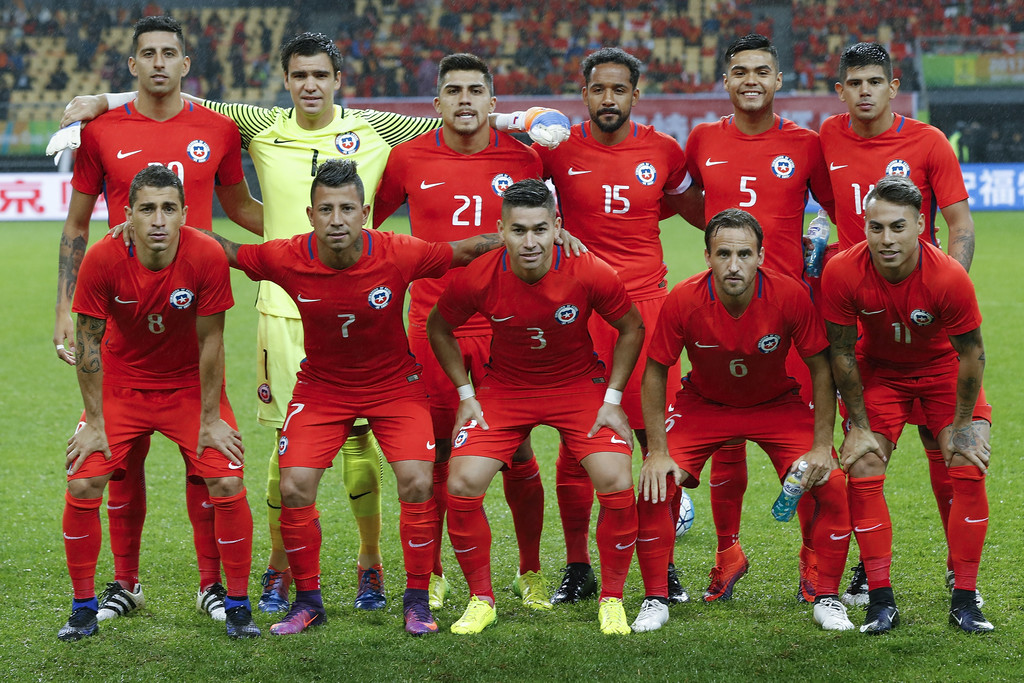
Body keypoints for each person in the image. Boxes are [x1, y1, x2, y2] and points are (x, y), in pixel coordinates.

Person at [59, 32, 569, 614]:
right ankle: (281, 571)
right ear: (285, 80)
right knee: (290, 451)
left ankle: (373, 566)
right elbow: (180, 96)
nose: (309, 85)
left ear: (337, 80)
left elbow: (458, 118)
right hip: (284, 299)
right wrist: (105, 99)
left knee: (376, 450)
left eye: (320, 75)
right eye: (299, 75)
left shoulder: (382, 128)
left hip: (379, 300)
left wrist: (528, 113)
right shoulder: (258, 122)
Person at [209, 158, 504, 637]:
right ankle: (308, 601)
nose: (337, 219)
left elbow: (466, 249)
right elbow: (232, 252)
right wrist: (168, 227)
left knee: (417, 482)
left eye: (347, 208)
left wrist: (537, 236)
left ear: (364, 212)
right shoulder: (287, 256)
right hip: (323, 388)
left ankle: (415, 600)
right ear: (310, 214)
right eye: (326, 210)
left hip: (393, 386)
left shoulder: (398, 251)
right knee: (293, 488)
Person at [52, 15, 263, 626]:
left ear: (187, 63)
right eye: (150, 54)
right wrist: (65, 309)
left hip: (193, 306)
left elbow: (239, 204)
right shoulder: (102, 131)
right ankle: (123, 583)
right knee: (122, 463)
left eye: (171, 53)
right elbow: (75, 225)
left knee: (207, 460)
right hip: (120, 315)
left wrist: (291, 239)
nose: (161, 63)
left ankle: (211, 585)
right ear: (134, 66)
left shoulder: (220, 128)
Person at [373, 53, 551, 611]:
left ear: (493, 103)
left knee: (518, 450)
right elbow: (369, 233)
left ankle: (531, 571)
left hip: (506, 328)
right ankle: (435, 573)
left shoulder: (524, 160)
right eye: (454, 90)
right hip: (434, 329)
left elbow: (545, 237)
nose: (465, 100)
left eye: (476, 90)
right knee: (438, 454)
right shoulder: (407, 158)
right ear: (437, 104)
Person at [427, 179, 644, 635]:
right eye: (519, 230)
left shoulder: (589, 269)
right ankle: (481, 599)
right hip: (506, 389)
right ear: (500, 230)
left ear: (557, 228)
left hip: (578, 386)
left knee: (616, 477)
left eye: (541, 230)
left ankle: (612, 599)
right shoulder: (479, 275)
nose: (530, 242)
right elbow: (439, 327)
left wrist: (613, 399)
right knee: (462, 481)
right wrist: (466, 395)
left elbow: (631, 327)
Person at [59, 165, 258, 641]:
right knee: (85, 482)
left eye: (169, 208)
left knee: (225, 480)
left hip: (189, 389)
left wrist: (211, 420)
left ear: (185, 214)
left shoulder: (206, 253)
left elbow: (212, 343)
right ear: (127, 214)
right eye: (146, 208)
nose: (158, 220)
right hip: (121, 388)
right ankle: (85, 605)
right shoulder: (103, 258)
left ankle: (234, 602)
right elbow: (88, 343)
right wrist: (95, 422)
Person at [534, 46, 703, 605]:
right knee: (576, 445)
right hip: (579, 315)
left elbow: (701, 210)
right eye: (598, 90)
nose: (609, 99)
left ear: (636, 94)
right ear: (584, 95)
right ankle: (578, 566)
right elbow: (521, 206)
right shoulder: (554, 152)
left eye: (619, 90)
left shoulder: (664, 151)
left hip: (647, 311)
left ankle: (664, 565)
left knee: (657, 440)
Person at [636, 208, 854, 633]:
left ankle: (828, 596)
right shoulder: (683, 298)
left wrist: (821, 444)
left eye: (743, 254)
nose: (733, 265)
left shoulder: (789, 295)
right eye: (723, 254)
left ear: (760, 256)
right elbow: (656, 370)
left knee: (833, 484)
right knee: (654, 484)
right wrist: (657, 452)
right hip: (705, 405)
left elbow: (821, 368)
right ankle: (654, 597)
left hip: (775, 404)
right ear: (707, 256)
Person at [820, 42, 977, 606]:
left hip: (925, 319)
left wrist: (939, 292)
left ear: (893, 87)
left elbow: (959, 225)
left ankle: (959, 576)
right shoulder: (827, 138)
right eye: (854, 82)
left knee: (949, 453)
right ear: (841, 90)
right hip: (857, 317)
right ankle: (866, 571)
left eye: (875, 81)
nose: (865, 91)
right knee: (860, 454)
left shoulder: (928, 142)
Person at [683, 33, 836, 604]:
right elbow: (680, 197)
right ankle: (728, 553)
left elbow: (836, 212)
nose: (751, 80)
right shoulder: (701, 139)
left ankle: (813, 561)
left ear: (778, 81)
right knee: (725, 439)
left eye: (761, 71)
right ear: (726, 81)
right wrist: (726, 242)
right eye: (739, 71)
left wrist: (815, 249)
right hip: (723, 311)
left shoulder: (806, 143)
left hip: (792, 315)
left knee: (801, 443)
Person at [821, 175, 992, 634]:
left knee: (967, 462)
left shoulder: (947, 276)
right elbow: (840, 352)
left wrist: (961, 425)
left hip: (941, 373)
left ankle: (965, 597)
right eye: (876, 228)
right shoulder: (841, 270)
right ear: (864, 227)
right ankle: (880, 599)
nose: (887, 239)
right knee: (863, 464)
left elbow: (971, 354)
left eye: (898, 227)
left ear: (920, 224)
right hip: (880, 374)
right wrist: (856, 424)